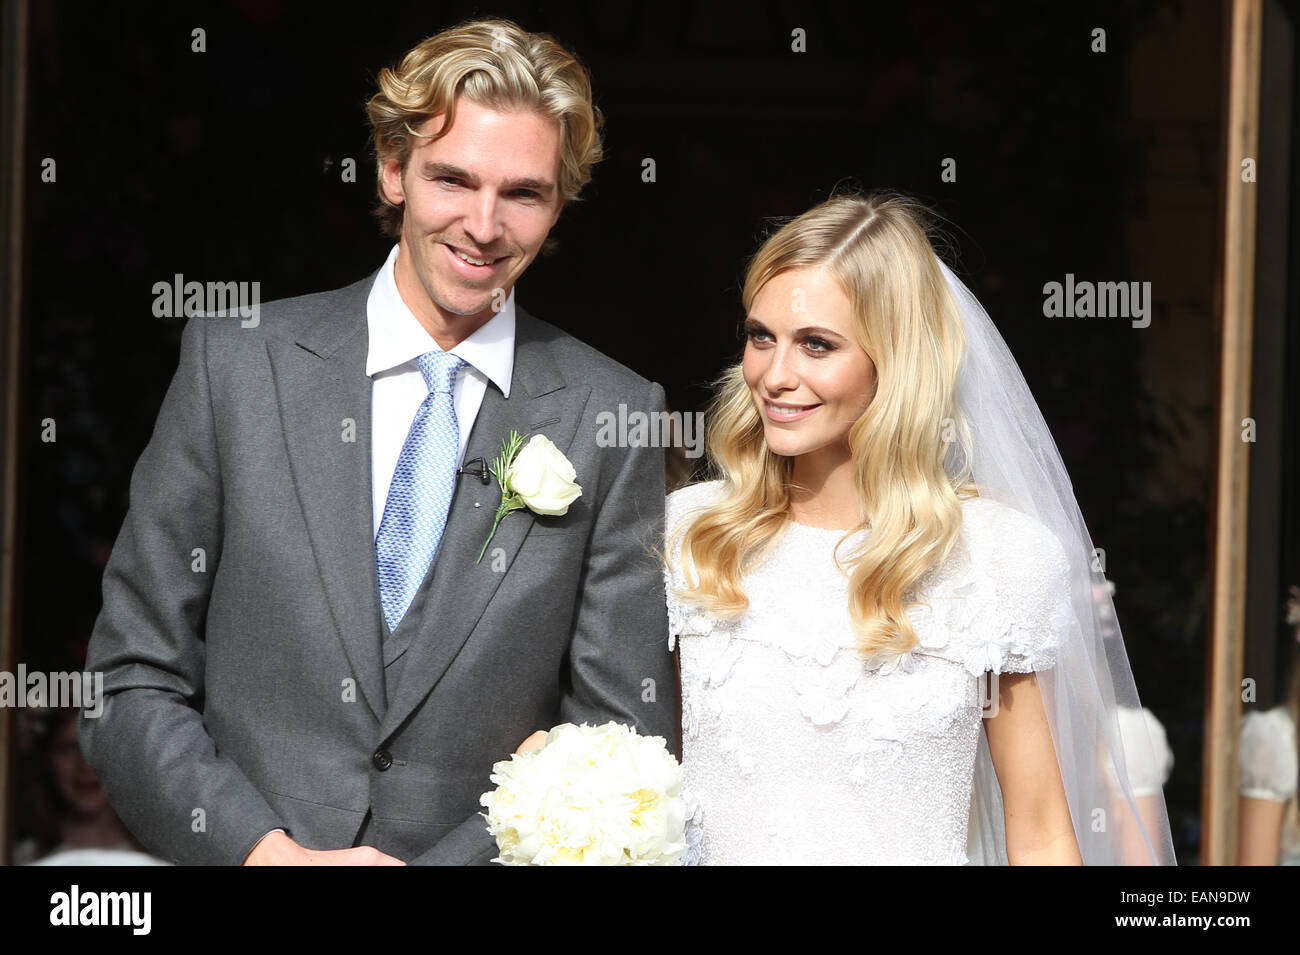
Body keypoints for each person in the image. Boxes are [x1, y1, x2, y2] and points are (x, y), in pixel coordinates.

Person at [78, 17, 677, 866]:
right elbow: (129, 680)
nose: (483, 224)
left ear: (559, 203)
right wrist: (263, 853)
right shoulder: (238, 363)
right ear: (393, 170)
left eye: (523, 193)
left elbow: (614, 744)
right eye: (452, 179)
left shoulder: (615, 414)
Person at [657, 190, 1177, 864]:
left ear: (896, 359)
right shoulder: (692, 536)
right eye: (762, 336)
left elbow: (1042, 827)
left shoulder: (995, 559)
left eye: (817, 344)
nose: (775, 375)